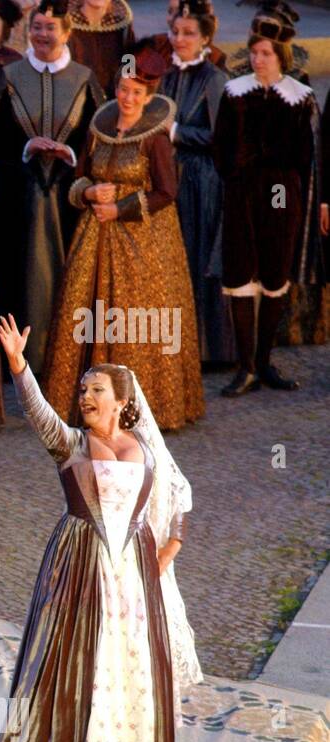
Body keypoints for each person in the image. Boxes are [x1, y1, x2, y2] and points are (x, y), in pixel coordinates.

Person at [0, 315, 190, 742]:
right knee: (83, 657)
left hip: (133, 570)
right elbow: (38, 412)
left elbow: (176, 492)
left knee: (129, 661)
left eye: (96, 389)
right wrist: (19, 365)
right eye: (82, 389)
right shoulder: (72, 444)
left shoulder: (144, 446)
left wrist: (172, 544)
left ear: (122, 402)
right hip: (82, 559)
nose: (85, 396)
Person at [42, 46, 204, 431]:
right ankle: (87, 401)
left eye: (136, 93)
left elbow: (167, 192)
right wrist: (89, 193)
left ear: (148, 97)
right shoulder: (100, 126)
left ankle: (142, 407)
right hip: (95, 236)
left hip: (144, 241)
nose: (127, 98)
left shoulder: (155, 137)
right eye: (123, 89)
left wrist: (121, 208)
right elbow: (78, 176)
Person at [0, 0, 104, 369]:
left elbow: (100, 136)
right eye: (37, 27)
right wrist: (25, 147)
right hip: (17, 197)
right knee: (14, 274)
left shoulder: (84, 77)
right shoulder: (10, 75)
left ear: (67, 33)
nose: (43, 34)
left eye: (51, 28)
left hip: (69, 199)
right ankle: (13, 360)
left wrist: (71, 152)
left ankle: (66, 360)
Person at [214, 2, 314, 397]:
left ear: (280, 56)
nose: (257, 59)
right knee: (240, 273)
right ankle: (246, 367)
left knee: (274, 272)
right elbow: (220, 147)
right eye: (253, 52)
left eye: (265, 53)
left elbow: (303, 155)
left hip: (279, 194)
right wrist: (237, 178)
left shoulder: (299, 96)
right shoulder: (234, 92)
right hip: (242, 192)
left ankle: (265, 360)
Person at [161, 0, 230, 365]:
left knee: (198, 258)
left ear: (205, 38)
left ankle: (207, 349)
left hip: (201, 181)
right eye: (175, 32)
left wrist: (175, 132)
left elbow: (222, 138)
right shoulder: (165, 75)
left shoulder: (215, 78)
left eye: (189, 33)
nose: (179, 38)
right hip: (170, 179)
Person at [67, 0, 134, 97]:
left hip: (112, 103)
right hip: (75, 101)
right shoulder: (65, 26)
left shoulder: (123, 28)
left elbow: (130, 69)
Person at [147, 0, 225, 69]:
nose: (172, 18)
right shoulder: (155, 44)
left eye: (179, 12)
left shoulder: (215, 58)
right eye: (170, 11)